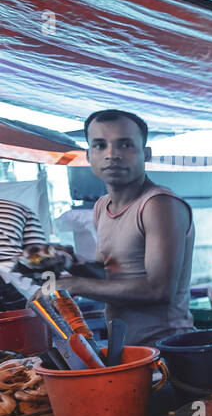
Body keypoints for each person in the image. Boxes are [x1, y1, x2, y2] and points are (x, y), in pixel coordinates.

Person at [50, 110, 195, 347]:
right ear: (88, 155)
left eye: (125, 144)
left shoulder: (158, 204)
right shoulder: (101, 206)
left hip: (168, 349)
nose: (112, 154)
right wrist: (71, 263)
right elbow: (110, 275)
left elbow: (159, 290)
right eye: (99, 145)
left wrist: (73, 284)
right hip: (127, 348)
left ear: (145, 154)